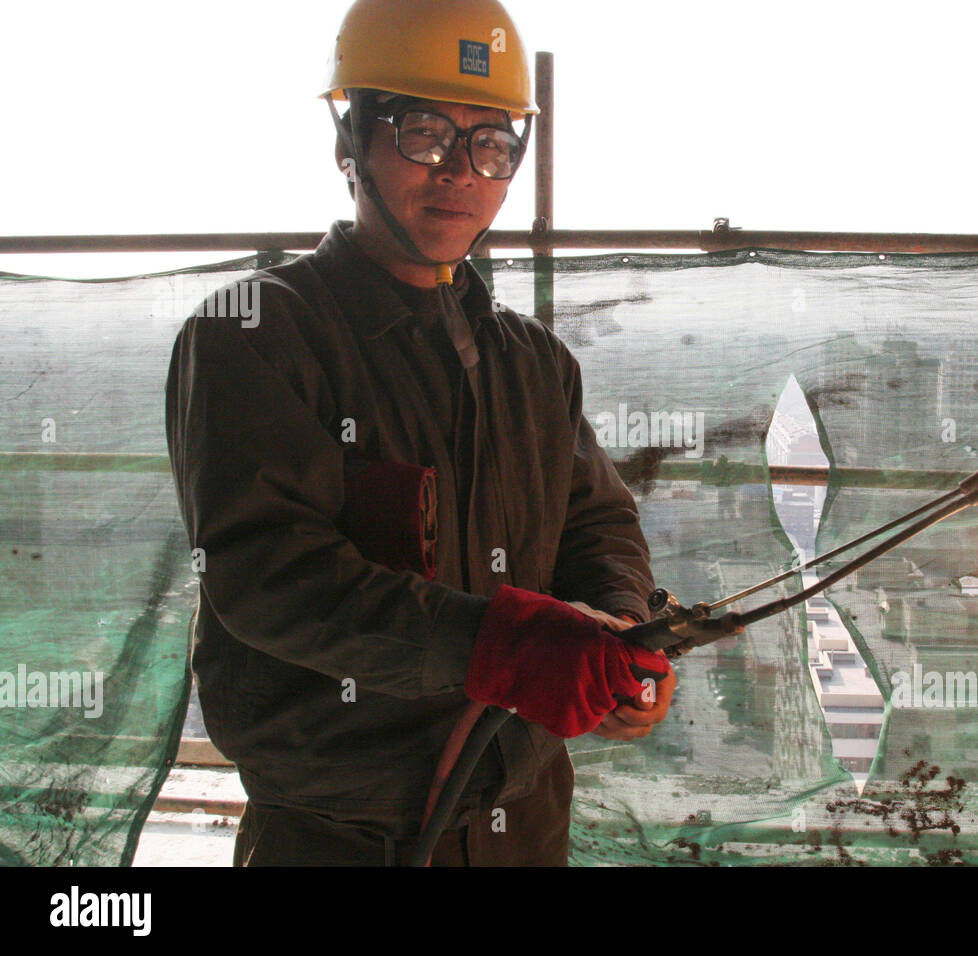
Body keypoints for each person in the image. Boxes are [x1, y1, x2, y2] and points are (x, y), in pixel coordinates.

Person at [164, 0, 675, 866]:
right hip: (337, 836)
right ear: (349, 141)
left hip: (525, 819)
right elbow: (266, 574)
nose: (462, 173)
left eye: (493, 145)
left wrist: (620, 635)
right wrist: (506, 648)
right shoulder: (256, 334)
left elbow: (597, 523)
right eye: (425, 134)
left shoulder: (534, 363)